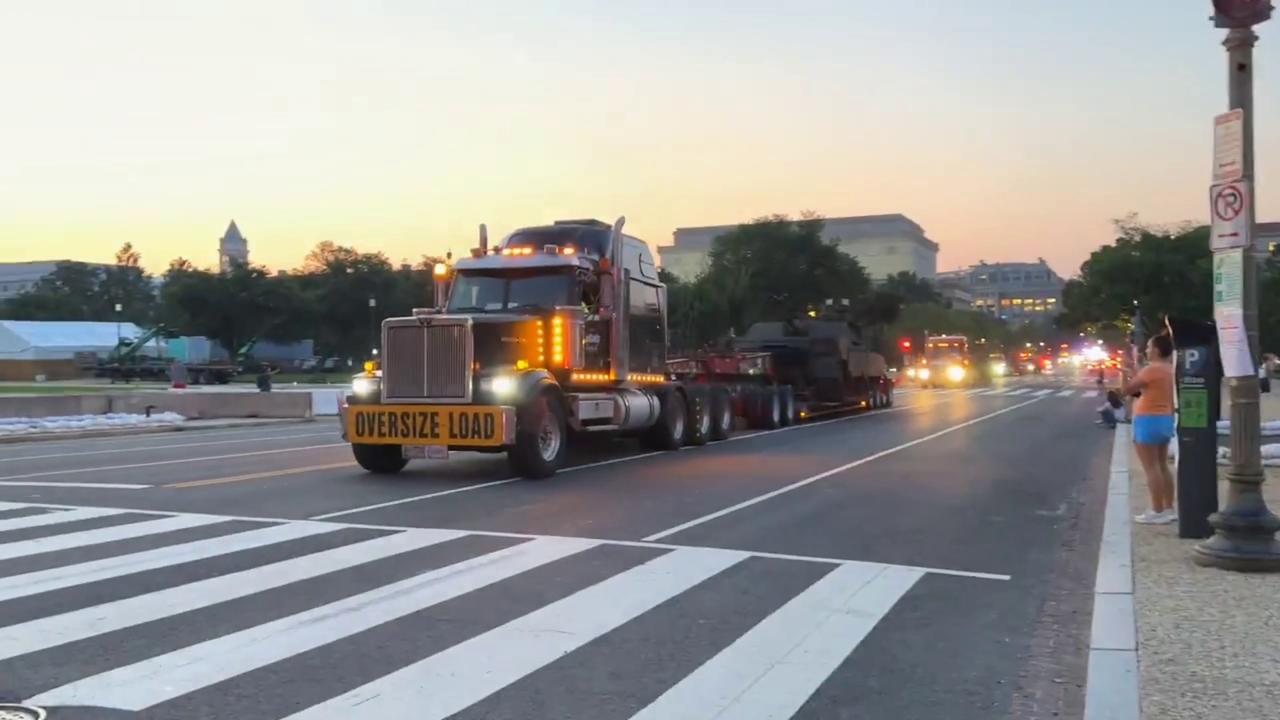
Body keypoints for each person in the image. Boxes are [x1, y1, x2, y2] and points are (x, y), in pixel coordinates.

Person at [1122, 334, 1177, 524]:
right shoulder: (1169, 369)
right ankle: (1169, 508)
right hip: (1165, 418)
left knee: (1151, 467)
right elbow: (1146, 383)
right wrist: (1134, 369)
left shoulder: (1151, 370)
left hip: (1147, 418)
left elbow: (1127, 389)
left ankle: (1156, 510)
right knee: (1162, 465)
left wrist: (1124, 372)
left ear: (1156, 350)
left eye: (1148, 347)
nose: (1146, 350)